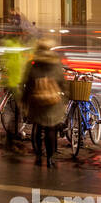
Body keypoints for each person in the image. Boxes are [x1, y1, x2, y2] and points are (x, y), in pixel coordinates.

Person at [21, 39, 66, 169]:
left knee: (38, 129)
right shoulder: (56, 63)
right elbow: (62, 83)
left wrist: (25, 101)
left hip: (37, 101)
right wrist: (64, 98)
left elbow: (27, 84)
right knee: (51, 130)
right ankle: (50, 159)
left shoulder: (33, 64)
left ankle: (39, 157)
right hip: (52, 102)